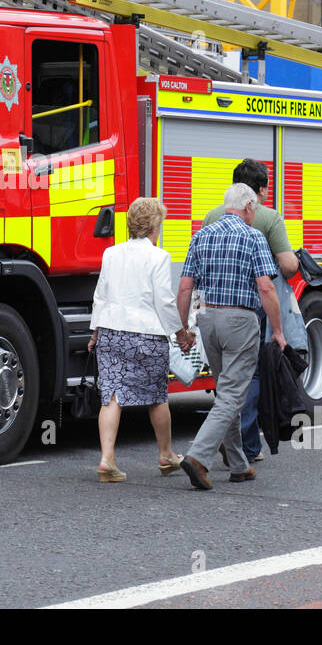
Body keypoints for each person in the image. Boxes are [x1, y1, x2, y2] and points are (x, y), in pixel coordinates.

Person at [176, 183, 286, 490]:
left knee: (227, 390)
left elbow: (185, 287)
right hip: (240, 320)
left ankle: (239, 464)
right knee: (233, 395)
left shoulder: (202, 235)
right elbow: (266, 288)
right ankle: (198, 456)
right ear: (249, 207)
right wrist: (278, 330)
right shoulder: (253, 237)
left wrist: (183, 328)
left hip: (208, 318)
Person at [201, 158, 300, 464]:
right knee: (251, 375)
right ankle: (246, 446)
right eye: (266, 187)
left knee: (225, 379)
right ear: (257, 192)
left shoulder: (211, 216)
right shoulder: (268, 219)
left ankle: (228, 443)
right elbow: (287, 266)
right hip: (248, 309)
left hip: (213, 309)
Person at [89, 197, 190, 482]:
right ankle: (166, 455)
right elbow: (165, 302)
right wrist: (180, 333)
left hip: (111, 332)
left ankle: (107, 459)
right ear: (155, 226)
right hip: (146, 337)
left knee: (110, 396)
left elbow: (101, 295)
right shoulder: (159, 257)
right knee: (157, 397)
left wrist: (95, 331)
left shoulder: (111, 254)